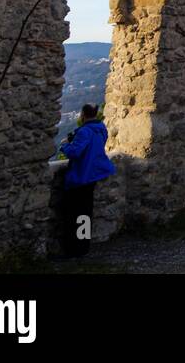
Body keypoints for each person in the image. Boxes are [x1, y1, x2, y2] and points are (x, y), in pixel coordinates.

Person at [57, 104, 116, 257]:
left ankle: (73, 249)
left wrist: (65, 146)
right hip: (93, 175)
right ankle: (83, 246)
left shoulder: (84, 131)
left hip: (80, 176)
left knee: (73, 213)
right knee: (85, 211)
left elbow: (75, 152)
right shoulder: (101, 128)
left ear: (83, 114)